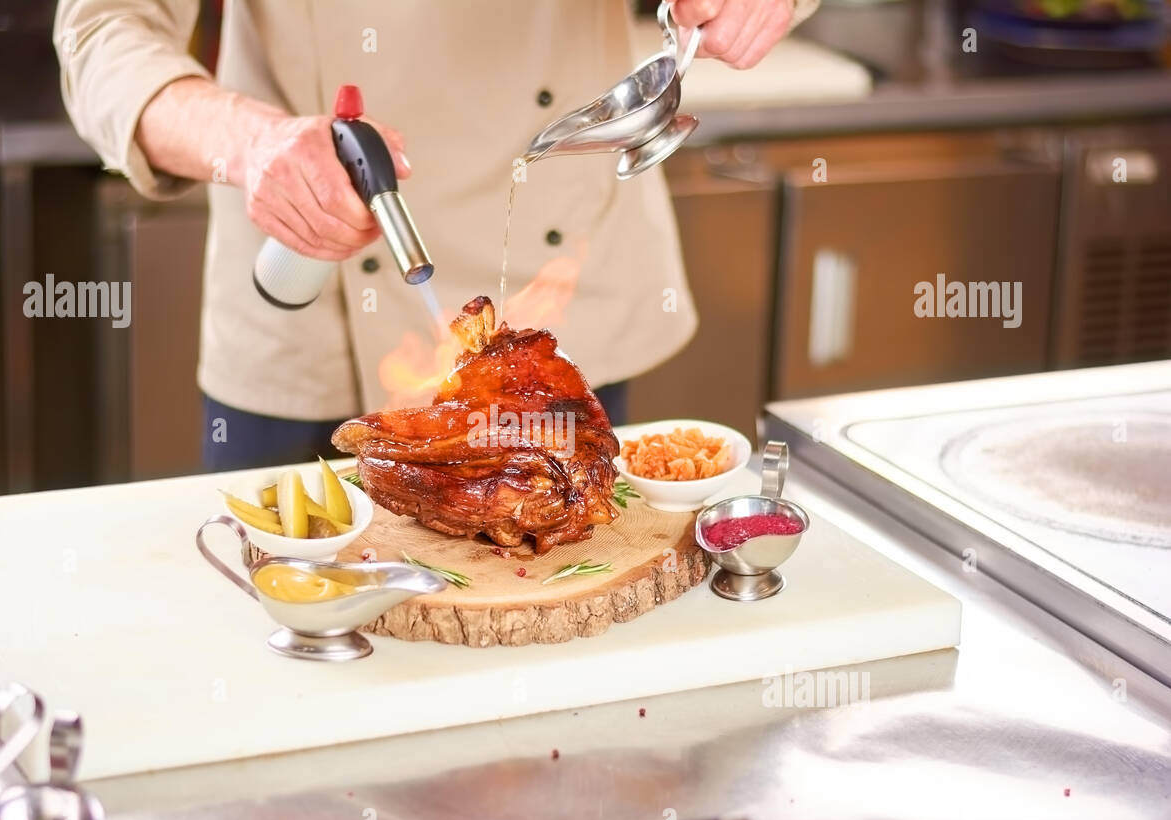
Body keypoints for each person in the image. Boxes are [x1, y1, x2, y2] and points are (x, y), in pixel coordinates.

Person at [56, 0, 818, 470]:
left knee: (557, 634)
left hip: (563, 294)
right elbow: (102, 30)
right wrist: (249, 142)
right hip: (314, 310)